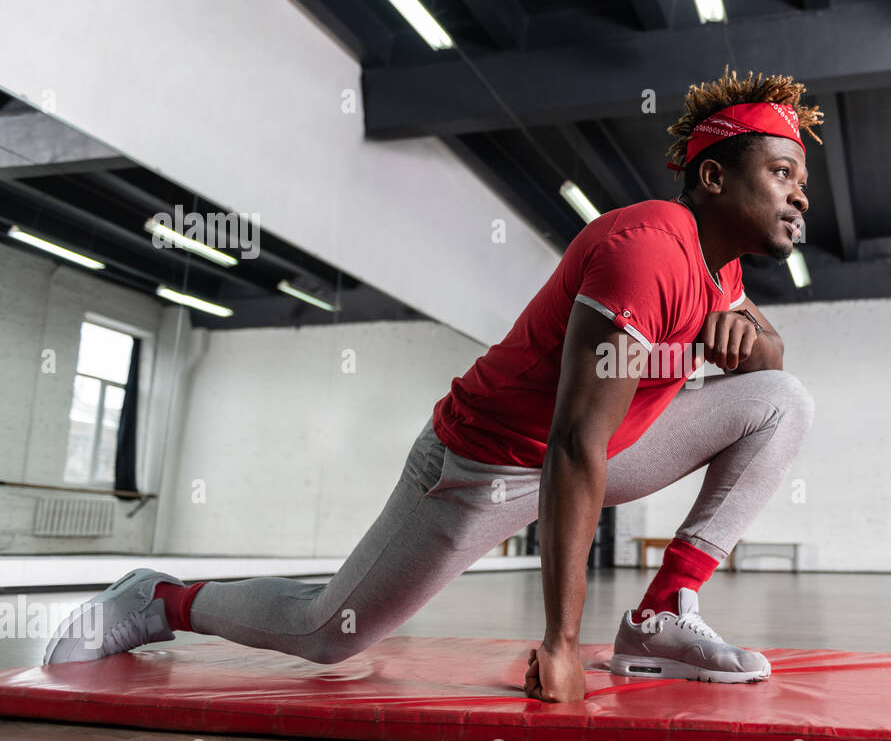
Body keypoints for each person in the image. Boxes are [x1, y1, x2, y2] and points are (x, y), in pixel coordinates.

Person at [44, 64, 821, 705]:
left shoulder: (723, 267)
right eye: (783, 173)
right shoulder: (649, 249)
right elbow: (573, 445)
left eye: (803, 181)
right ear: (714, 176)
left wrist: (754, 339)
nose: (800, 195)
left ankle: (659, 616)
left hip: (601, 453)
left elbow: (770, 364)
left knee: (781, 402)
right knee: (327, 634)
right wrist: (558, 644)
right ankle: (160, 599)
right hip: (483, 463)